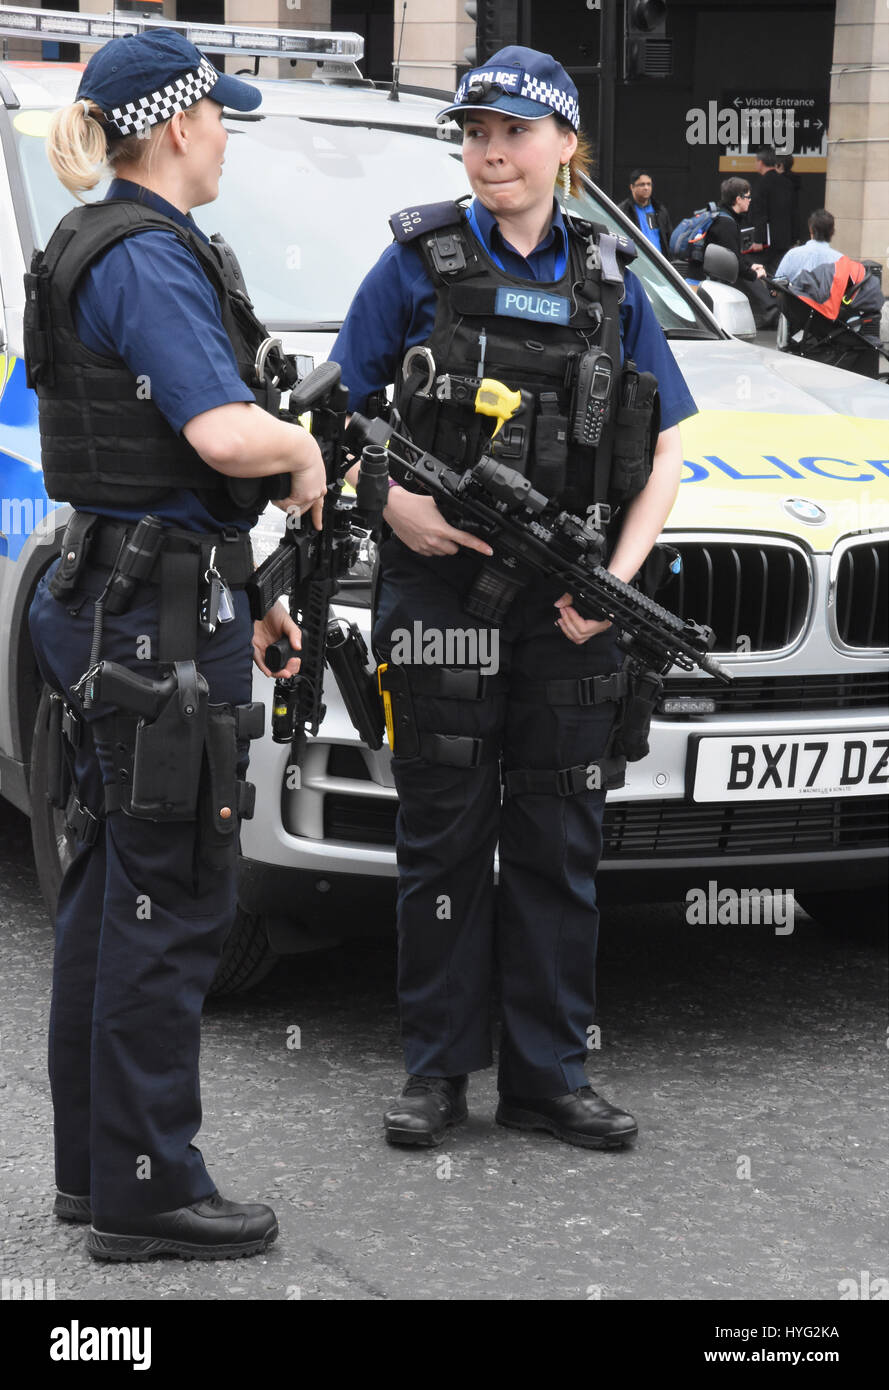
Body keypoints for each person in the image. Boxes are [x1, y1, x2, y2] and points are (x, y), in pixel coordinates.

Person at [330, 46, 697, 1151]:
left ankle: (548, 1074)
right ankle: (437, 1073)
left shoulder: (609, 276)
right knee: (442, 838)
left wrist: (617, 591)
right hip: (438, 586)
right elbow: (341, 419)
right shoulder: (416, 263)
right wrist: (389, 502)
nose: (490, 151)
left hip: (569, 608)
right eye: (475, 133)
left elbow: (668, 449)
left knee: (557, 840)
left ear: (563, 146)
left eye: (513, 132)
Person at [26, 29, 326, 1260]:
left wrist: (248, 589)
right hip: (149, 628)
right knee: (170, 902)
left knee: (108, 893)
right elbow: (215, 435)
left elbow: (156, 474)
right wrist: (303, 456)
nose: (225, 134)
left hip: (122, 595)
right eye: (218, 115)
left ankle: (101, 1173)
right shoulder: (149, 257)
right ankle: (150, 1191)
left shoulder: (98, 242)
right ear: (174, 124)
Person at [703, 177, 777, 328]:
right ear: (738, 199)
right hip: (709, 282)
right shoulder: (727, 223)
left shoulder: (723, 217)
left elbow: (734, 255)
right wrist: (754, 274)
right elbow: (734, 262)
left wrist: (751, 265)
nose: (750, 200)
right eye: (748, 197)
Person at [748, 147, 794, 274]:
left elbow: (760, 213)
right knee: (777, 273)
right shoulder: (787, 183)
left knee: (759, 272)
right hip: (784, 239)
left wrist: (758, 239)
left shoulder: (761, 184)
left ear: (761, 162)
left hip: (766, 242)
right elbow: (793, 212)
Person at [774, 208, 842, 282]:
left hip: (794, 293)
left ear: (810, 229)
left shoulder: (792, 254)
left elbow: (777, 283)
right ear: (832, 232)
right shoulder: (839, 260)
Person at [617, 168, 673, 256]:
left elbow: (668, 239)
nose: (646, 188)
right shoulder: (623, 211)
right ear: (632, 187)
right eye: (642, 185)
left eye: (649, 184)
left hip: (659, 263)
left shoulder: (660, 210)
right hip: (636, 262)